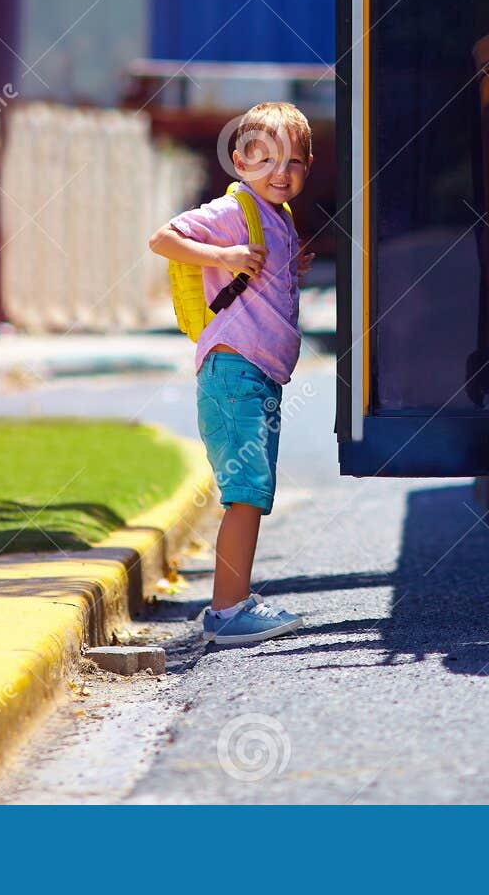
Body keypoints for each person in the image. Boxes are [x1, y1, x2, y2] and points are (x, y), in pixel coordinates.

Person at [148, 102, 313, 646]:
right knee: (246, 491)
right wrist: (227, 252)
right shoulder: (232, 210)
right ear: (240, 162)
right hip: (232, 369)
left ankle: (233, 601)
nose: (279, 172)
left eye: (293, 161)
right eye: (264, 159)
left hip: (258, 375)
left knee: (253, 490)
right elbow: (163, 239)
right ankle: (226, 611)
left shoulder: (280, 218)